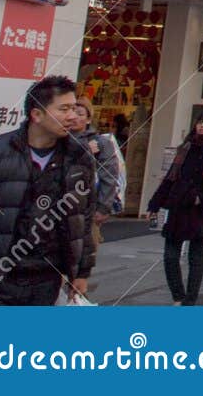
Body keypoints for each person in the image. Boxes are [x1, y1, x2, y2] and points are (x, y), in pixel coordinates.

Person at [0, 75, 94, 305]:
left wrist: (81, 272)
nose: (72, 116)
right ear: (37, 114)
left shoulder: (79, 158)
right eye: (64, 109)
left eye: (74, 108)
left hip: (46, 279)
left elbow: (84, 216)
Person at [147, 107, 203, 304]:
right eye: (200, 121)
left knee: (196, 257)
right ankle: (178, 296)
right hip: (178, 207)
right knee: (170, 256)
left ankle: (189, 301)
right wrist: (154, 204)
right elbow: (170, 179)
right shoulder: (185, 148)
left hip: (200, 210)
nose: (202, 125)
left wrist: (202, 197)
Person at [66, 99, 123, 294]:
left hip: (86, 209)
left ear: (89, 119)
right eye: (71, 111)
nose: (74, 117)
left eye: (80, 114)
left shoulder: (100, 143)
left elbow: (109, 176)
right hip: (59, 210)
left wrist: (103, 207)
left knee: (80, 259)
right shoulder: (59, 139)